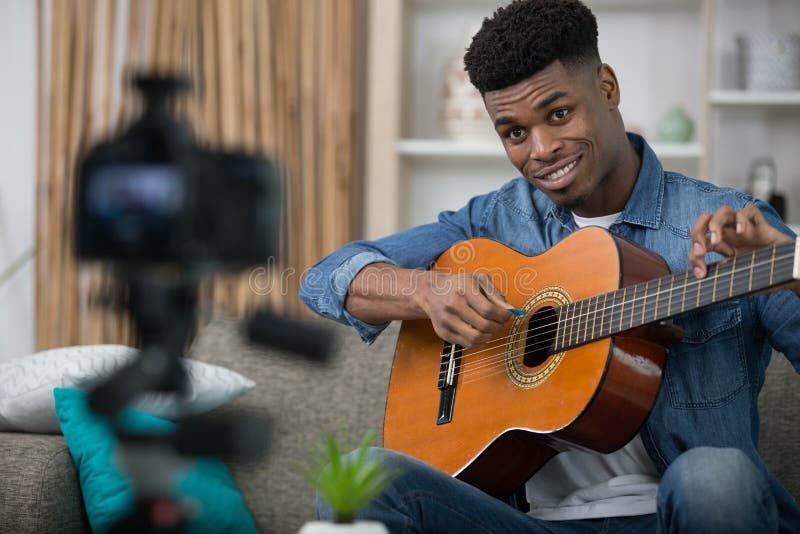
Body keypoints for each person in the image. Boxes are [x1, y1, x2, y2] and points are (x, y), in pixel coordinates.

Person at [299, 0, 800, 531]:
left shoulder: (727, 227)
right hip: (526, 524)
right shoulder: (493, 221)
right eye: (514, 133)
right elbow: (326, 277)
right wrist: (424, 290)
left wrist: (792, 277)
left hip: (676, 515)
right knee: (358, 478)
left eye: (559, 114)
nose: (541, 149)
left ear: (607, 88)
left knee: (715, 477)